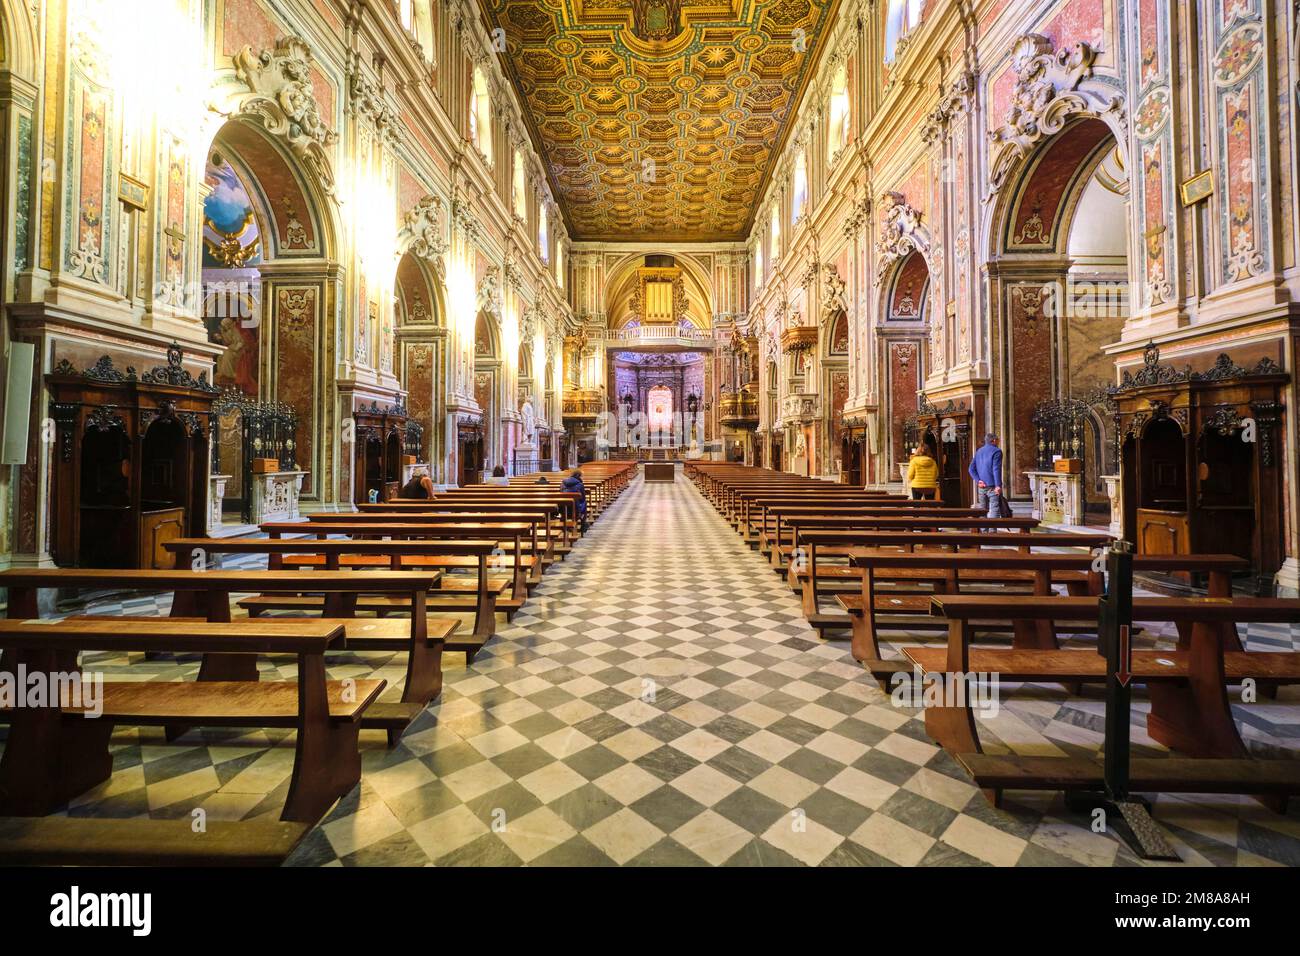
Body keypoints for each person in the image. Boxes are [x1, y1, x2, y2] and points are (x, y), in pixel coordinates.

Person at [968, 432, 1006, 518]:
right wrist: (998, 485)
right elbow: (996, 469)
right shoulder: (997, 451)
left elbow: (970, 469)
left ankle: (984, 531)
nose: (999, 442)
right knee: (994, 509)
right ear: (994, 440)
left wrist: (978, 481)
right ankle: (992, 531)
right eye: (998, 440)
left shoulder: (979, 451)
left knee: (983, 510)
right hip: (992, 486)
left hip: (981, 486)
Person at [561, 469, 588, 534]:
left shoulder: (563, 483)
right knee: (585, 503)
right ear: (579, 476)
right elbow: (583, 498)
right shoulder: (580, 484)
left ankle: (565, 524)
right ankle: (583, 526)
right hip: (575, 509)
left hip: (564, 508)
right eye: (582, 476)